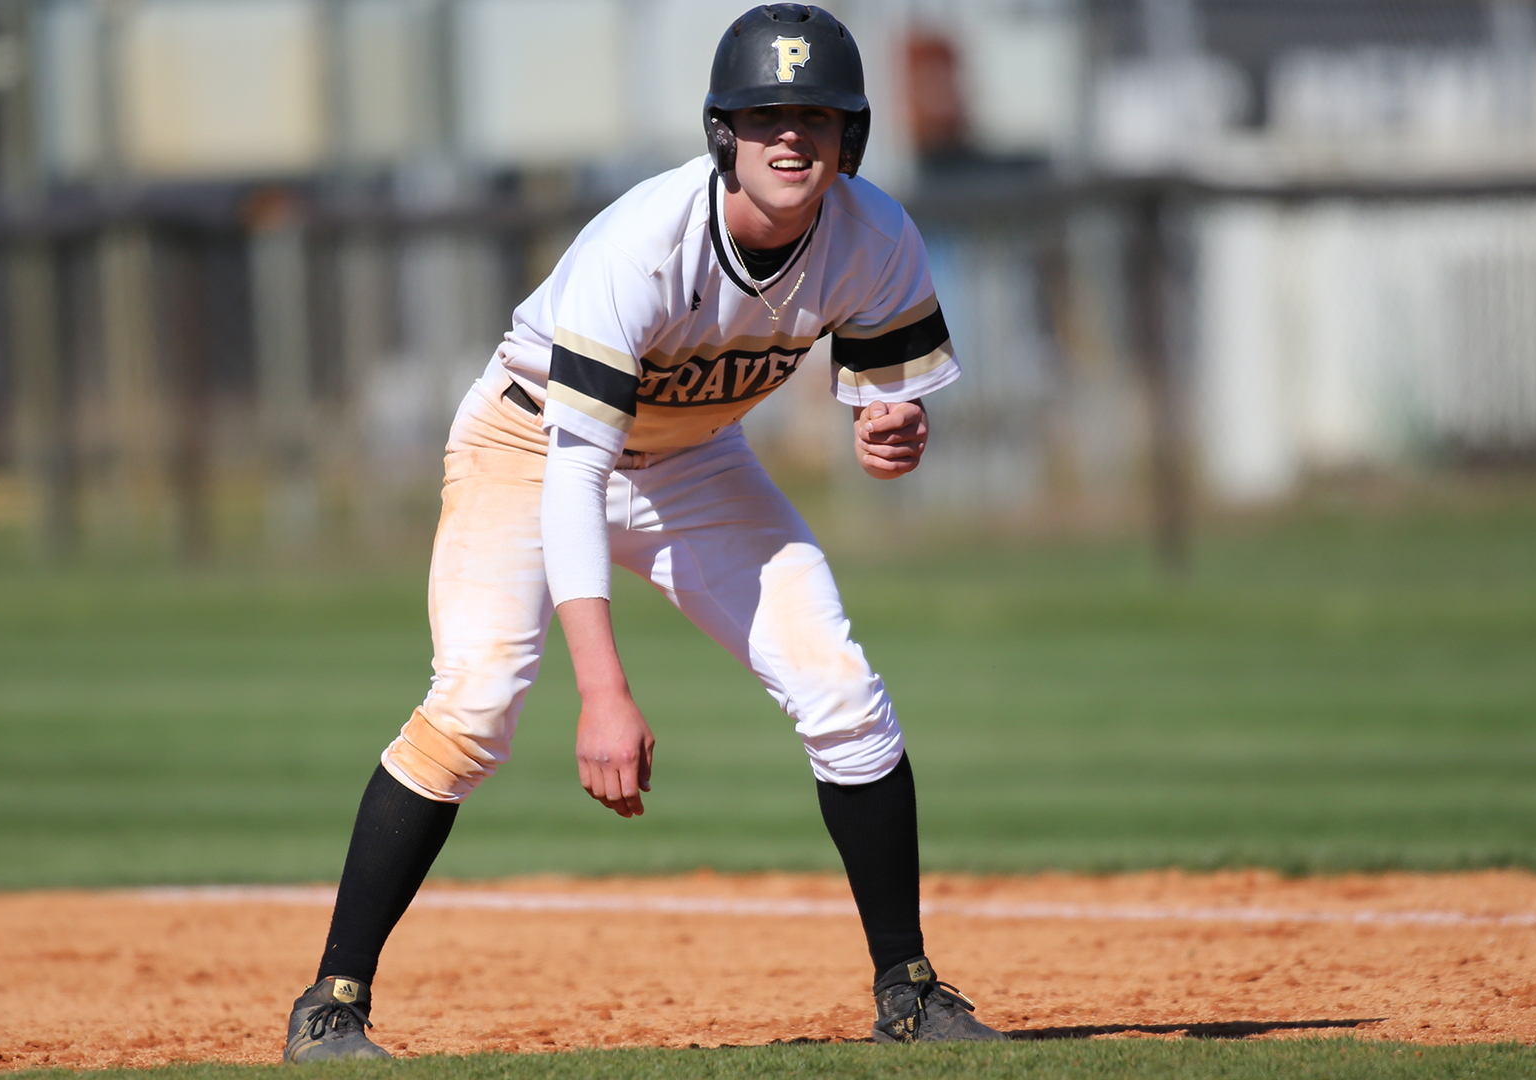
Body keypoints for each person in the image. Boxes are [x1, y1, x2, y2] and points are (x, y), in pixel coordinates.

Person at [283, 4, 1005, 1060]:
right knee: (477, 704)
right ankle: (330, 1005)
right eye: (765, 116)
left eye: (816, 114)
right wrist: (605, 691)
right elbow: (576, 476)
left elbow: (887, 405)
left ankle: (910, 990)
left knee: (844, 693)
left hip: (694, 460)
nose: (791, 136)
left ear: (852, 134)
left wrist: (894, 427)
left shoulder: (877, 235)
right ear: (724, 132)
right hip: (532, 446)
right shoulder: (644, 243)